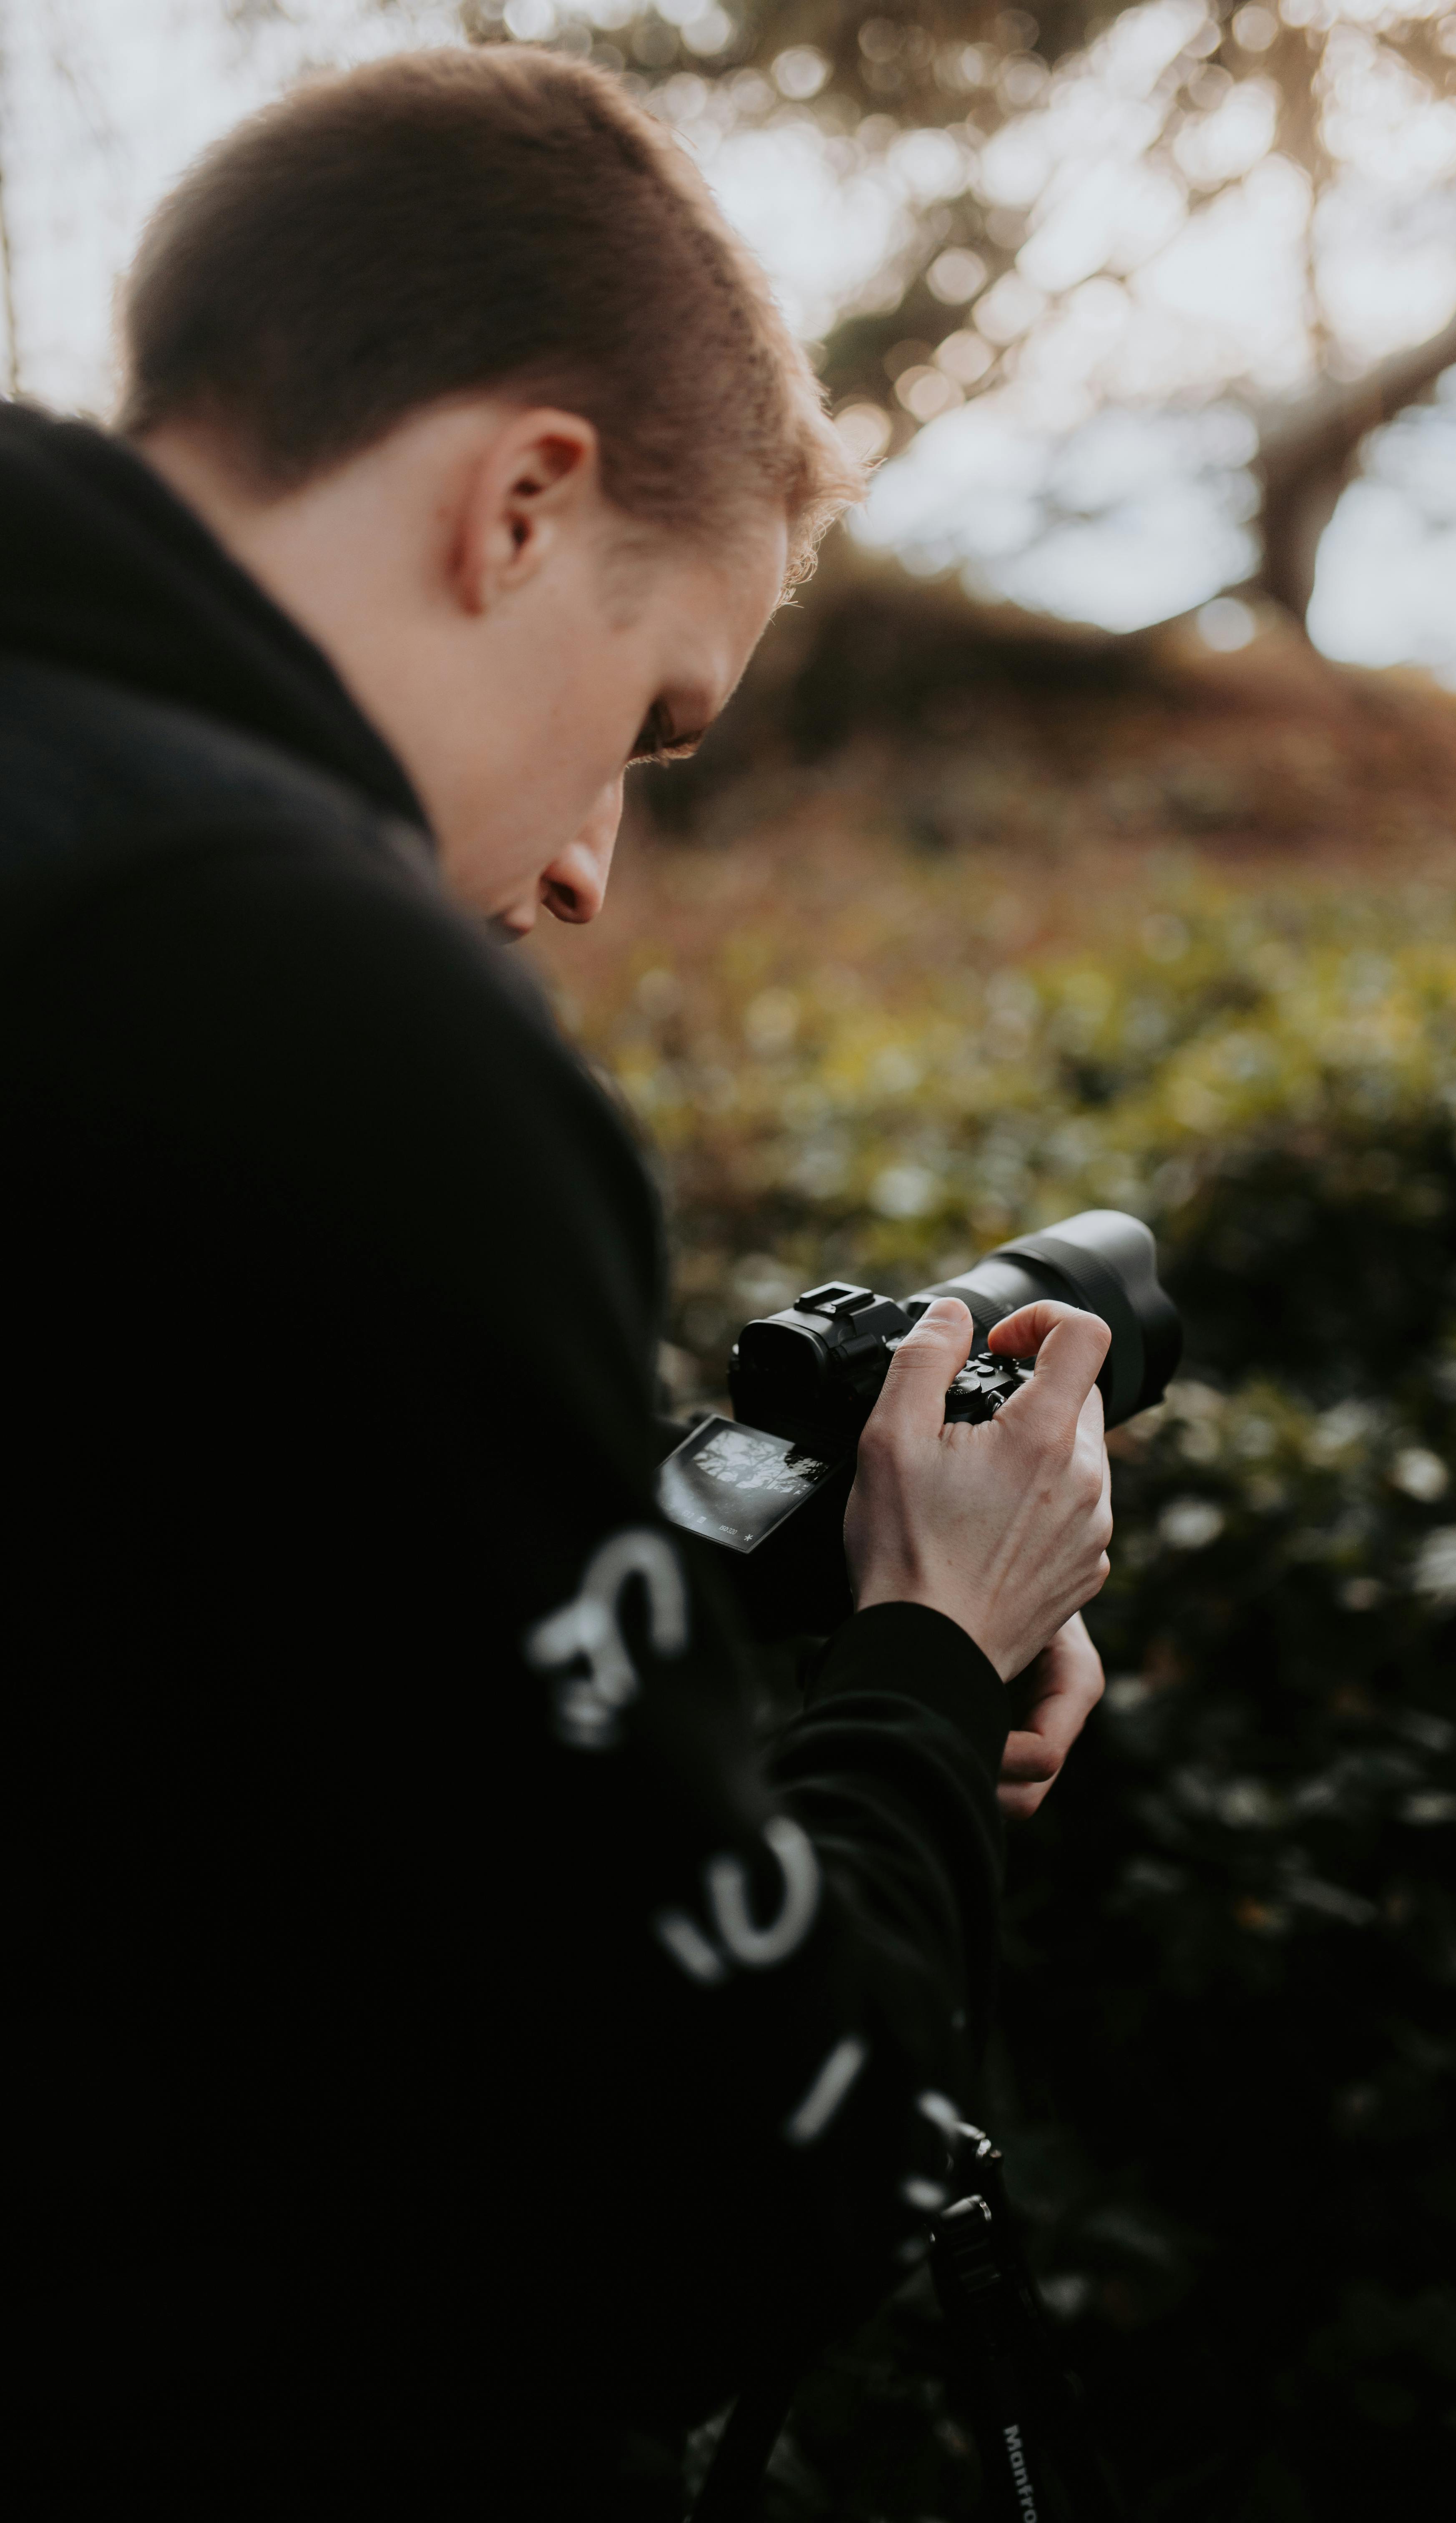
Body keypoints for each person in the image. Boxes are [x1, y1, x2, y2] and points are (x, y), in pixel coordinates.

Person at [3, 46, 1113, 2517]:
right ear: (522, 499)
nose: (591, 867)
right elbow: (698, 2203)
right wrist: (929, 1665)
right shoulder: (298, 991)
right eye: (649, 720)